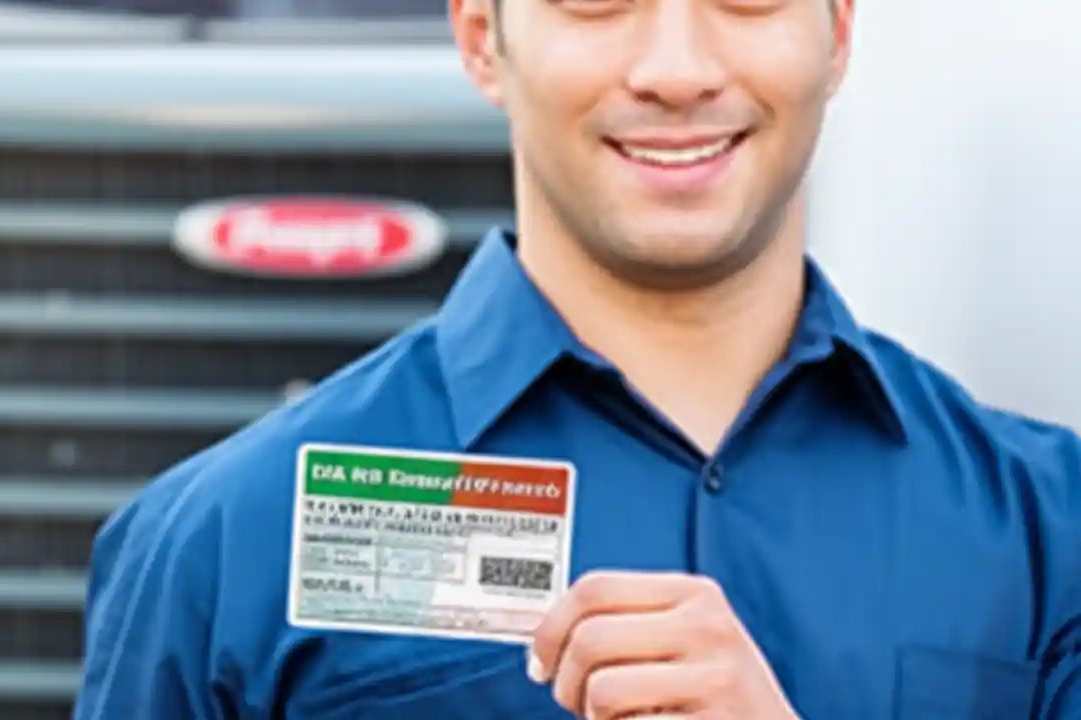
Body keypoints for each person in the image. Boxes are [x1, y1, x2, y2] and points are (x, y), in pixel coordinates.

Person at [73, 0, 1081, 717]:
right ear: (482, 39)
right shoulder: (220, 547)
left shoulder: (1048, 541)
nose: (677, 67)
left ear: (837, 32)